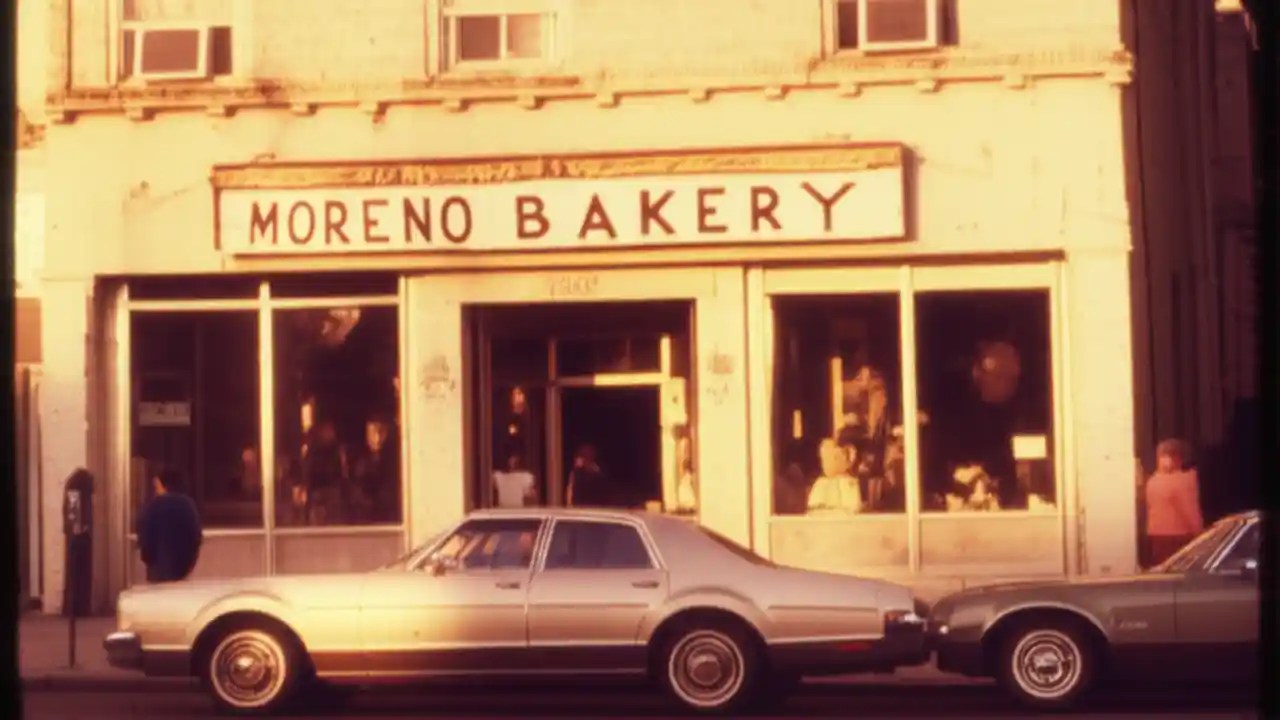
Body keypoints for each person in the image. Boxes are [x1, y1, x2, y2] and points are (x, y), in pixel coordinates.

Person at [1144, 438, 1204, 566]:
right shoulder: (1182, 481)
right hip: (1178, 536)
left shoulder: (1152, 481)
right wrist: (1201, 535)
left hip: (1156, 534)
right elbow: (1189, 511)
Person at [136, 470, 203, 583]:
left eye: (157, 487)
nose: (155, 491)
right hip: (183, 566)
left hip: (156, 567)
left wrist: (147, 558)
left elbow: (145, 536)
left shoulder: (153, 507)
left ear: (165, 486)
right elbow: (196, 536)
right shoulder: (188, 506)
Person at [351, 416, 399, 523]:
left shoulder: (396, 461)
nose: (377, 437)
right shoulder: (359, 461)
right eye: (373, 431)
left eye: (382, 432)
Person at [806, 438, 863, 514]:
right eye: (824, 459)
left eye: (834, 458)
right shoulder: (821, 483)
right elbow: (814, 506)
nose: (825, 463)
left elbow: (853, 506)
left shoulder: (850, 483)